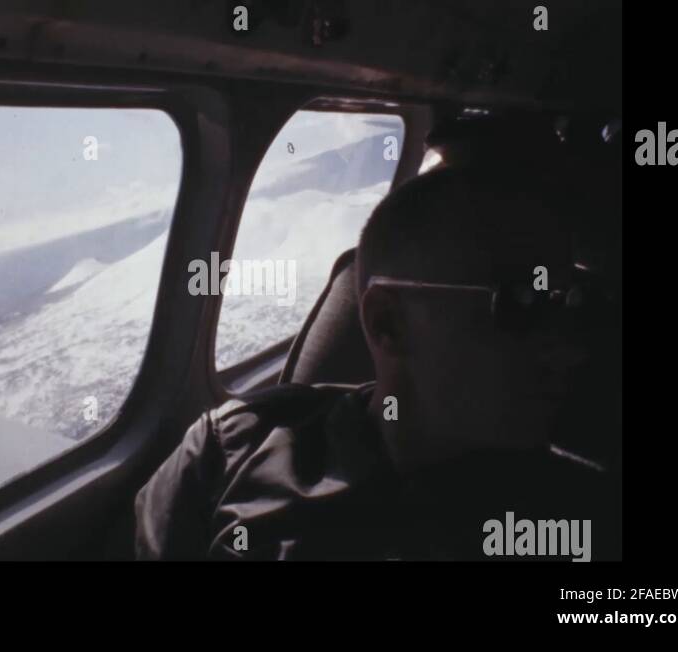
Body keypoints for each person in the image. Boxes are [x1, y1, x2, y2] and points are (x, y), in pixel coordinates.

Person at [135, 163, 621, 560]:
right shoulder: (228, 449)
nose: (569, 348)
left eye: (574, 305)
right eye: (523, 304)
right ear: (389, 324)